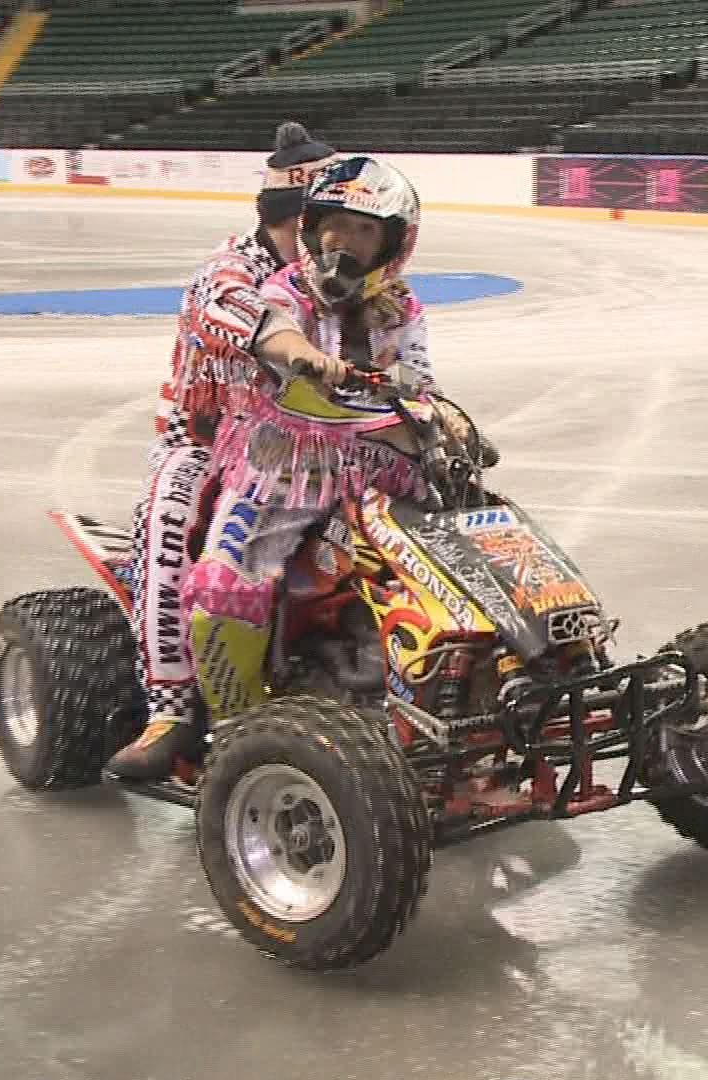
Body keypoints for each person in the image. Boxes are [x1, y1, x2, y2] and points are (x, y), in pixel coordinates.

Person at [180, 154, 470, 732]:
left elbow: (419, 378)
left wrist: (442, 414)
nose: (348, 240)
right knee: (224, 583)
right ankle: (237, 730)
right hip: (283, 464)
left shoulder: (403, 309)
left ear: (392, 245)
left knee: (469, 547)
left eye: (366, 230)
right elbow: (276, 330)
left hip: (385, 464)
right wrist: (305, 356)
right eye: (337, 224)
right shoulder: (285, 290)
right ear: (312, 227)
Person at [102, 122, 341, 781]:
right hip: (212, 441)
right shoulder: (228, 271)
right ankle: (170, 707)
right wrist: (295, 347)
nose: (328, 242)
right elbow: (239, 316)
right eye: (314, 225)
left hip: (313, 443)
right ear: (283, 218)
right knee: (170, 504)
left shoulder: (340, 275)